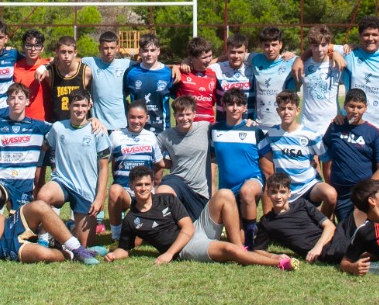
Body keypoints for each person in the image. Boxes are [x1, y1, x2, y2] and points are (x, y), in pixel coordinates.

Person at [103, 166, 296, 270]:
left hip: (195, 230)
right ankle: (277, 262)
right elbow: (124, 249)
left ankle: (241, 248)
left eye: (147, 184)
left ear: (153, 184)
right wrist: (113, 255)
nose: (143, 188)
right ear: (131, 186)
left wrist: (168, 254)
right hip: (186, 248)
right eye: (139, 185)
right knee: (226, 249)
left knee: (225, 194)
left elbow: (187, 228)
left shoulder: (166, 199)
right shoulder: (131, 218)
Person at [38, 89, 111, 245]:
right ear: (69, 106)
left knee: (83, 244)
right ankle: (43, 238)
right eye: (76, 105)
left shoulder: (97, 131)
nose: (80, 109)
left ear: (89, 106)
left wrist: (100, 197)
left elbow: (104, 168)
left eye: (83, 105)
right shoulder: (58, 128)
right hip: (62, 181)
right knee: (43, 196)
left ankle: (69, 227)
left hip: (85, 189)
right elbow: (44, 147)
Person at [257, 90, 337, 213]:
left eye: (290, 108)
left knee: (330, 194)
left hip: (308, 185)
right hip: (284, 189)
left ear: (297, 110)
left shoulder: (311, 135)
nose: (286, 112)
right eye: (283, 109)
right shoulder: (272, 134)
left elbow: (326, 158)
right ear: (278, 111)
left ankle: (323, 223)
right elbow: (259, 151)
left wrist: (318, 170)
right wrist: (250, 124)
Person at [321, 88, 379, 225]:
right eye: (351, 106)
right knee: (347, 230)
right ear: (345, 106)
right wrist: (329, 182)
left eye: (360, 107)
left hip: (366, 191)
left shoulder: (373, 132)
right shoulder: (335, 127)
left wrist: (366, 190)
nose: (355, 110)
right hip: (342, 192)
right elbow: (325, 156)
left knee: (367, 228)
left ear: (366, 108)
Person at [0, 82, 54, 214]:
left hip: (24, 186)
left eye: (20, 98)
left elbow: (61, 129)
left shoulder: (37, 126)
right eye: (12, 98)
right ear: (7, 101)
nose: (16, 102)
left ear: (27, 102)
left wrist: (90, 120)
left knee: (20, 230)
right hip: (1, 181)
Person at [254, 171, 351, 265]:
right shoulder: (267, 222)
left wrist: (318, 247)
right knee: (354, 254)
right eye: (274, 192)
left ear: (289, 193)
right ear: (267, 193)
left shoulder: (302, 204)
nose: (278, 196)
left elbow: (330, 226)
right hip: (328, 251)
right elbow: (257, 250)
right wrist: (274, 257)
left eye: (283, 192)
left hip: (335, 237)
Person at [209, 89, 265, 247]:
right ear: (223, 106)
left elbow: (267, 163)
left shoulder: (254, 130)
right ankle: (248, 233)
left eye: (239, 104)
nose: (235, 108)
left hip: (252, 181)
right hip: (227, 188)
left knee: (246, 192)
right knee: (236, 241)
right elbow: (213, 159)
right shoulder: (215, 130)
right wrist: (213, 187)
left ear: (245, 108)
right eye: (231, 104)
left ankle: (251, 241)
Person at [107, 102, 166, 227]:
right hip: (125, 191)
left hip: (145, 191)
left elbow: (159, 163)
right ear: (127, 117)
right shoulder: (116, 136)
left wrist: (156, 183)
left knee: (140, 237)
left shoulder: (151, 137)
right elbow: (106, 162)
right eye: (132, 117)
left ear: (147, 118)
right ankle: (116, 236)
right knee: (114, 190)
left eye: (140, 117)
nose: (136, 121)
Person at [157, 93, 212, 222]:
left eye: (188, 114)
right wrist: (168, 163)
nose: (184, 118)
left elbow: (226, 128)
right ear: (175, 115)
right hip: (177, 182)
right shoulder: (166, 136)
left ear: (194, 114)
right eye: (180, 115)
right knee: (163, 191)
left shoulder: (206, 128)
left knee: (196, 227)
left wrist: (247, 121)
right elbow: (153, 156)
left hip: (200, 192)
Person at [342, 16, 379, 130]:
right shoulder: (349, 54)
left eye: (374, 34)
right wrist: (301, 59)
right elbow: (322, 46)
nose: (370, 38)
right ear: (359, 36)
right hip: (353, 124)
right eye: (366, 34)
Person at [292, 24, 347, 133]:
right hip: (307, 124)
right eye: (315, 45)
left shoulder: (337, 64)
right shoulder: (302, 65)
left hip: (333, 123)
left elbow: (351, 90)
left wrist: (335, 53)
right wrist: (297, 59)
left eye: (323, 45)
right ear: (310, 45)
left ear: (329, 44)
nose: (319, 49)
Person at [248, 27, 300, 129]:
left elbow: (309, 58)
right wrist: (210, 63)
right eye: (266, 45)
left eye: (274, 45)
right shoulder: (254, 59)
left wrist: (334, 53)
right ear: (261, 46)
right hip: (259, 123)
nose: (270, 49)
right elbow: (233, 54)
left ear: (281, 44)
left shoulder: (290, 60)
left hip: (282, 123)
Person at [124, 33, 173, 134]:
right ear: (140, 52)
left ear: (158, 51)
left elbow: (179, 101)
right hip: (137, 128)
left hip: (162, 130)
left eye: (152, 50)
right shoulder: (131, 73)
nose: (149, 54)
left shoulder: (168, 73)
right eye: (145, 50)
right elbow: (121, 98)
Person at [85, 30, 131, 132]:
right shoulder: (92, 62)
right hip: (99, 125)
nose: (109, 51)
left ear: (117, 48)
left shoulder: (126, 64)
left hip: (121, 124)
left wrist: (175, 68)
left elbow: (146, 64)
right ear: (100, 48)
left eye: (112, 48)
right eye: (105, 48)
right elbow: (71, 61)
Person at [172, 37, 220, 129]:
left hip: (207, 126)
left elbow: (224, 58)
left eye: (210, 56)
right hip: (185, 125)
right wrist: (175, 66)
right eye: (204, 57)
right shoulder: (181, 72)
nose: (209, 60)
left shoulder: (214, 73)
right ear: (192, 58)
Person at [44, 35, 89, 123]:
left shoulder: (86, 72)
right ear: (57, 52)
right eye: (63, 52)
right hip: (58, 124)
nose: (66, 56)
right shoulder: (49, 73)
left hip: (80, 125)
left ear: (75, 53)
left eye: (70, 52)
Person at [211, 34, 256, 117]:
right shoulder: (217, 68)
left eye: (240, 52)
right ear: (227, 51)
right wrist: (187, 61)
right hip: (223, 125)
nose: (236, 56)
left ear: (246, 52)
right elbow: (199, 65)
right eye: (232, 52)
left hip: (248, 125)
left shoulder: (253, 69)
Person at [11, 28, 50, 122]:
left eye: (37, 45)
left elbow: (72, 60)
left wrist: (46, 66)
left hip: (42, 122)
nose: (33, 49)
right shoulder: (15, 66)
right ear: (23, 47)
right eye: (29, 45)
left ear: (42, 48)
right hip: (20, 121)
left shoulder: (49, 66)